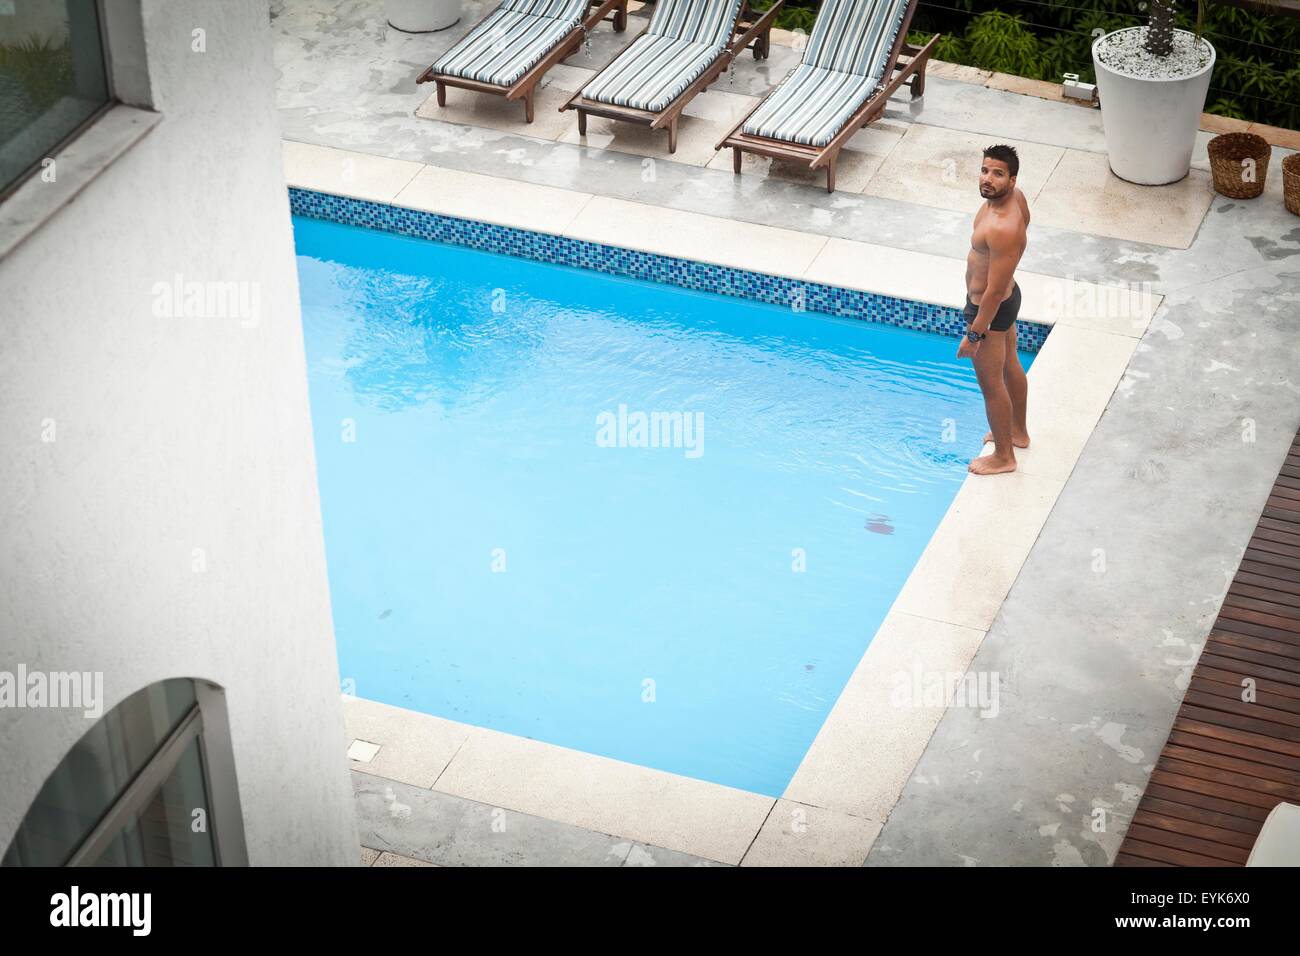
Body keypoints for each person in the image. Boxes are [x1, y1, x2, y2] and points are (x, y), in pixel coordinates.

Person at [957, 144, 1031, 476]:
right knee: (1010, 364)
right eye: (985, 170)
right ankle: (1017, 432)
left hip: (991, 307)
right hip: (1007, 298)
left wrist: (975, 333)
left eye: (998, 174)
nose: (988, 178)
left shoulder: (1004, 226)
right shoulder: (1010, 200)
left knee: (991, 383)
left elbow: (995, 290)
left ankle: (1004, 456)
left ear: (1012, 179)